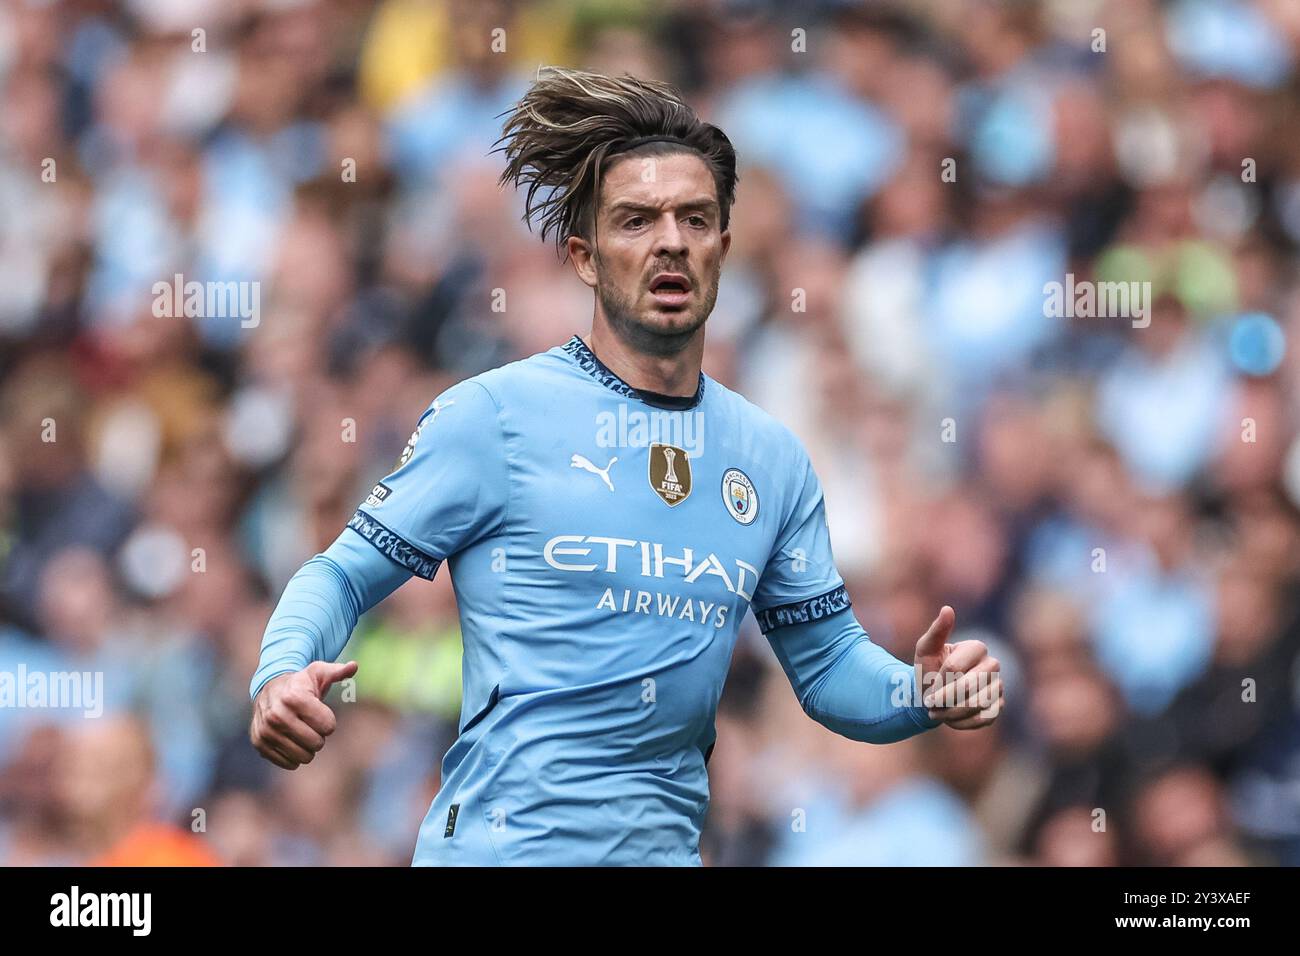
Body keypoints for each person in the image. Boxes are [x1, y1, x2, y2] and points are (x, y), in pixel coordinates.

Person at [248, 66, 1003, 865]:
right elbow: (339, 576)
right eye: (637, 220)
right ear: (584, 257)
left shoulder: (770, 459)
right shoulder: (494, 419)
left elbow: (827, 671)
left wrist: (918, 693)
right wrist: (283, 671)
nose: (671, 240)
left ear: (723, 248)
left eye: (694, 218)